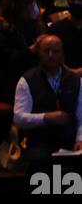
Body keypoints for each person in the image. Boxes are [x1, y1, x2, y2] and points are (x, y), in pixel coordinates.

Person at [13, 33, 82, 167]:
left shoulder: (76, 81)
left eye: (55, 51)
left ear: (62, 54)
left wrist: (80, 139)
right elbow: (18, 118)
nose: (51, 55)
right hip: (39, 141)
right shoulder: (26, 80)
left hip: (69, 139)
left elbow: (81, 115)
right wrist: (46, 118)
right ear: (39, 53)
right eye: (46, 51)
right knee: (41, 162)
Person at [0, 0, 42, 104]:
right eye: (29, 4)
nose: (33, 8)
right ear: (16, 5)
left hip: (32, 79)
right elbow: (5, 60)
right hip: (9, 82)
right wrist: (31, 50)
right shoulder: (0, 27)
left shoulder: (34, 26)